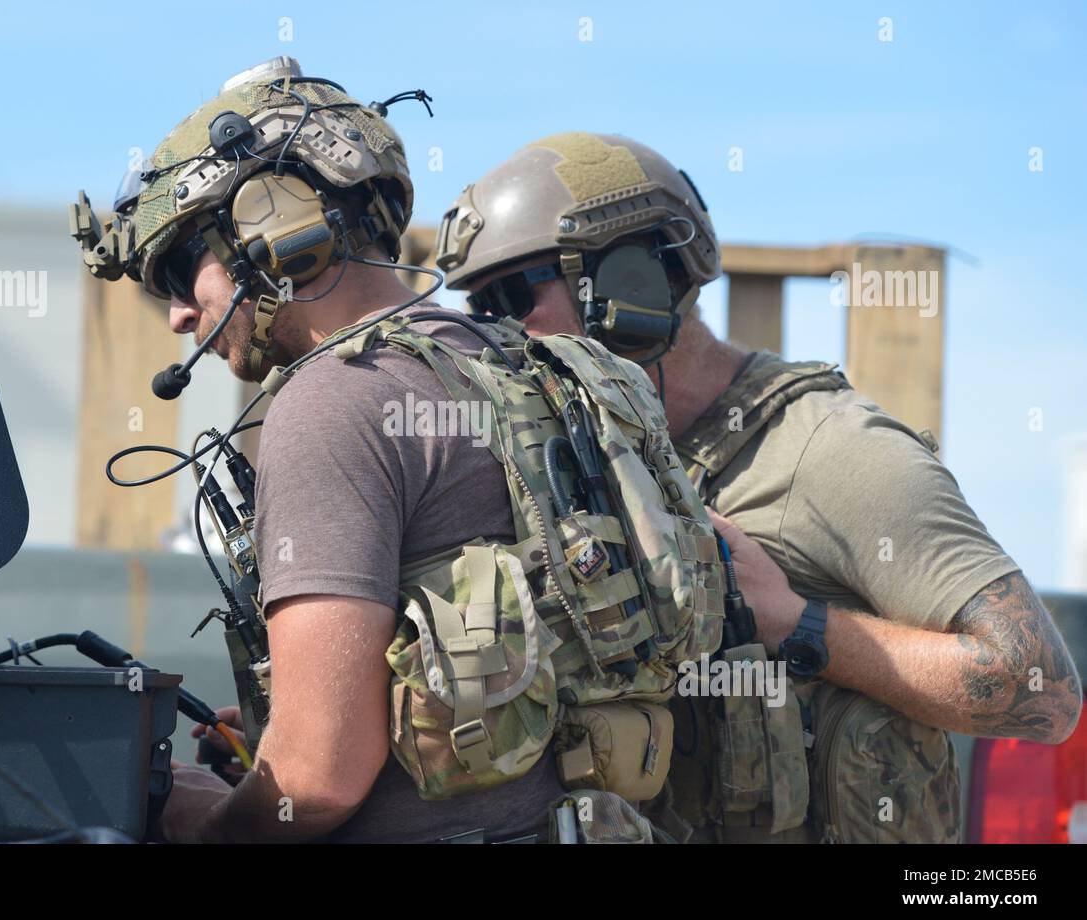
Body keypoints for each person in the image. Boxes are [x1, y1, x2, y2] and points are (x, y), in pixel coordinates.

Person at [72, 63, 723, 843]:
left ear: (270, 225)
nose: (180, 315)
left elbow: (316, 779)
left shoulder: (334, 401)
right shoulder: (540, 365)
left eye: (183, 268)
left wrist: (199, 822)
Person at [436, 131, 1082, 842]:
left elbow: (1043, 694)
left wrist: (799, 622)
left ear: (628, 286)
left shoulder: (833, 449)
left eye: (511, 296)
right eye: (479, 308)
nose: (492, 333)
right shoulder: (592, 462)